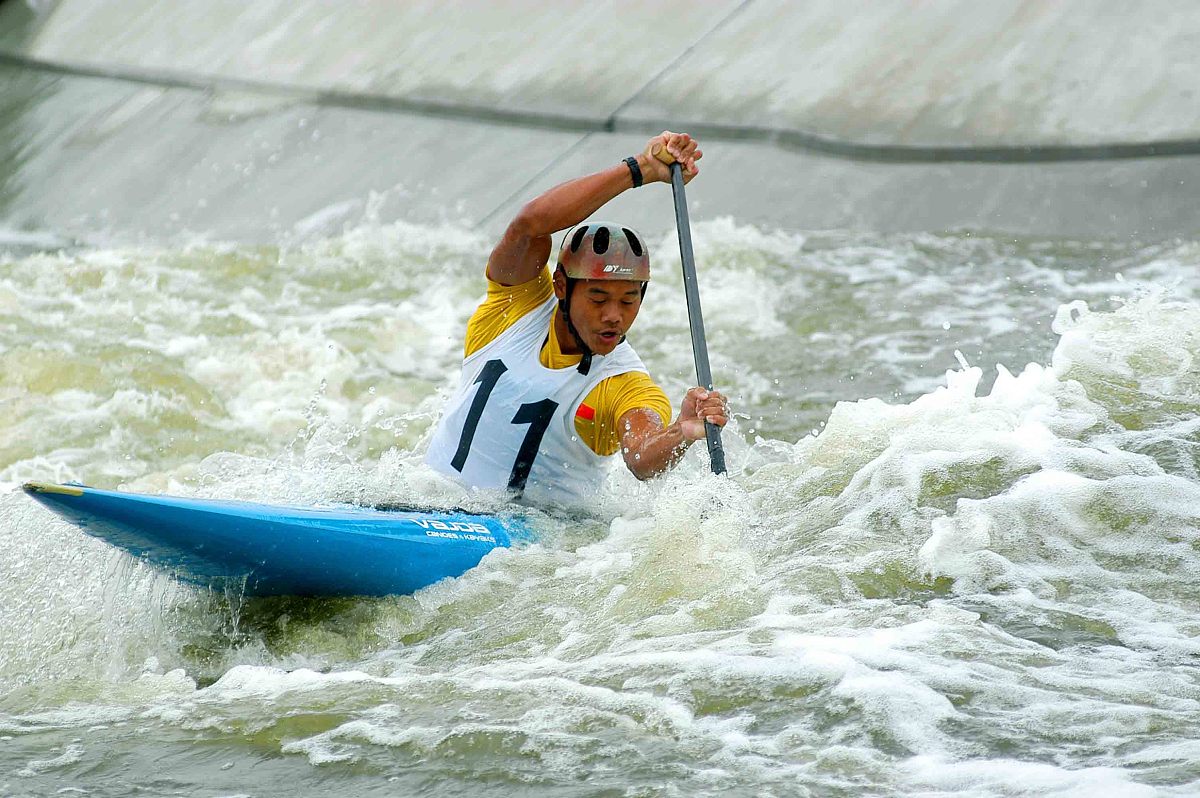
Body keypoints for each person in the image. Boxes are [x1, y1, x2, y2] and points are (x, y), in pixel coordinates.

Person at [425, 131, 729, 506]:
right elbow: (529, 224)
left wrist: (682, 432)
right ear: (561, 286)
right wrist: (639, 169)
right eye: (598, 298)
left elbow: (642, 456)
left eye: (629, 300)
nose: (614, 316)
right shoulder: (512, 308)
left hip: (531, 544)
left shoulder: (623, 383)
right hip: (426, 502)